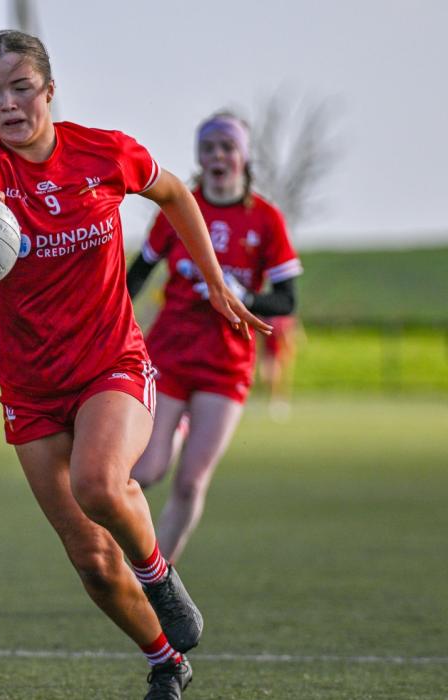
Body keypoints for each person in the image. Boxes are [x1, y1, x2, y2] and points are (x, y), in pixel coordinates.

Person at [0, 31, 268, 700]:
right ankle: (164, 661)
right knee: (91, 559)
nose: (7, 104)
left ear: (50, 90)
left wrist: (214, 281)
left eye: (21, 87)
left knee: (98, 481)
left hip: (110, 363)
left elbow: (177, 194)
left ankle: (159, 575)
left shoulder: (105, 152)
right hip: (30, 388)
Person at [126, 112, 301, 571]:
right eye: (209, 148)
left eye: (227, 147)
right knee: (145, 470)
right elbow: (137, 275)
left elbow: (286, 299)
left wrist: (242, 295)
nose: (218, 156)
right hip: (170, 353)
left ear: (243, 156)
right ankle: (117, 552)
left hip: (226, 365)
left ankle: (156, 580)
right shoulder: (180, 207)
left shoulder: (265, 219)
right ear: (200, 158)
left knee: (190, 483)